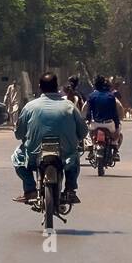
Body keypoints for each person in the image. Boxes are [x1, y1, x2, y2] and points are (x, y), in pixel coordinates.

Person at [12, 72, 87, 205]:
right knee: (73, 160)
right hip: (65, 154)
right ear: (57, 86)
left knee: (17, 158)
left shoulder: (29, 107)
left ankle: (30, 190)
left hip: (34, 155)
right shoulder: (70, 106)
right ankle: (70, 190)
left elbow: (19, 134)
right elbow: (83, 132)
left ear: (40, 87)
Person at [82, 75, 123, 157]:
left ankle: (90, 147)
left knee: (86, 131)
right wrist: (117, 124)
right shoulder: (111, 96)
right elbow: (114, 113)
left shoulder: (92, 96)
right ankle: (114, 148)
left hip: (95, 124)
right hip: (109, 124)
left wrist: (87, 120)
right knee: (118, 130)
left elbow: (89, 111)